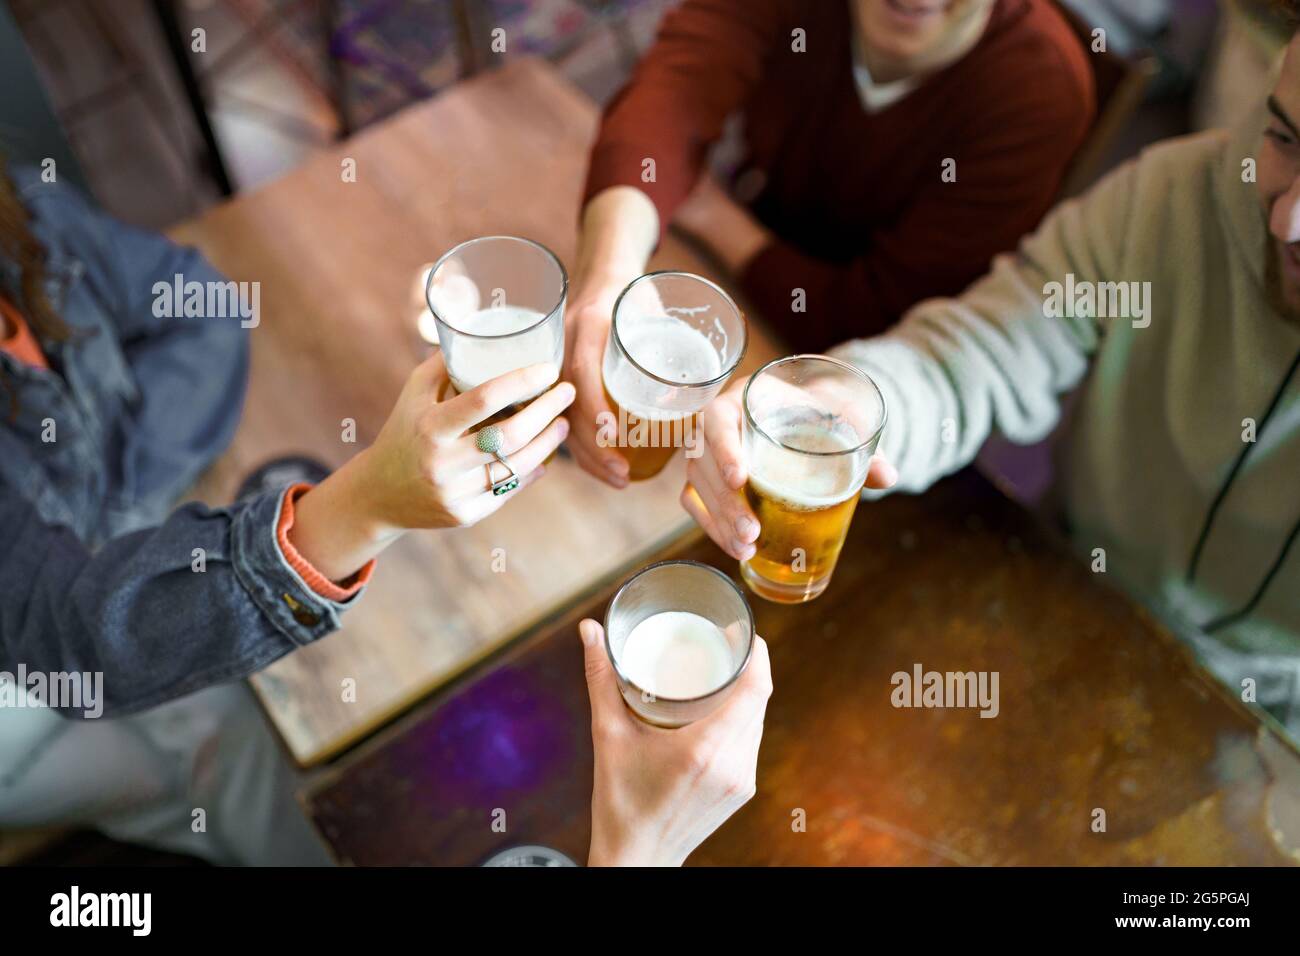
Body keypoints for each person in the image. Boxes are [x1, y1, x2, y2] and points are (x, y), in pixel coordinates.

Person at [0, 162, 772, 865]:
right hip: (21, 688)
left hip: (83, 586)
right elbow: (71, 637)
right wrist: (365, 500)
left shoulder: (23, 205)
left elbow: (206, 317)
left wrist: (120, 520)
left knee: (219, 675)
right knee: (219, 742)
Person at [682, 4, 1300, 742]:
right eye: (1288, 140)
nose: (1288, 222)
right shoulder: (1176, 194)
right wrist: (847, 401)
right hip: (1057, 590)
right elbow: (974, 353)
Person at [564, 0, 1096, 487]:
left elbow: (873, 316)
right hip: (755, 292)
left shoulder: (1039, 88)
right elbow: (675, 91)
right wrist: (610, 272)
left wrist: (718, 219)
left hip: (871, 389)